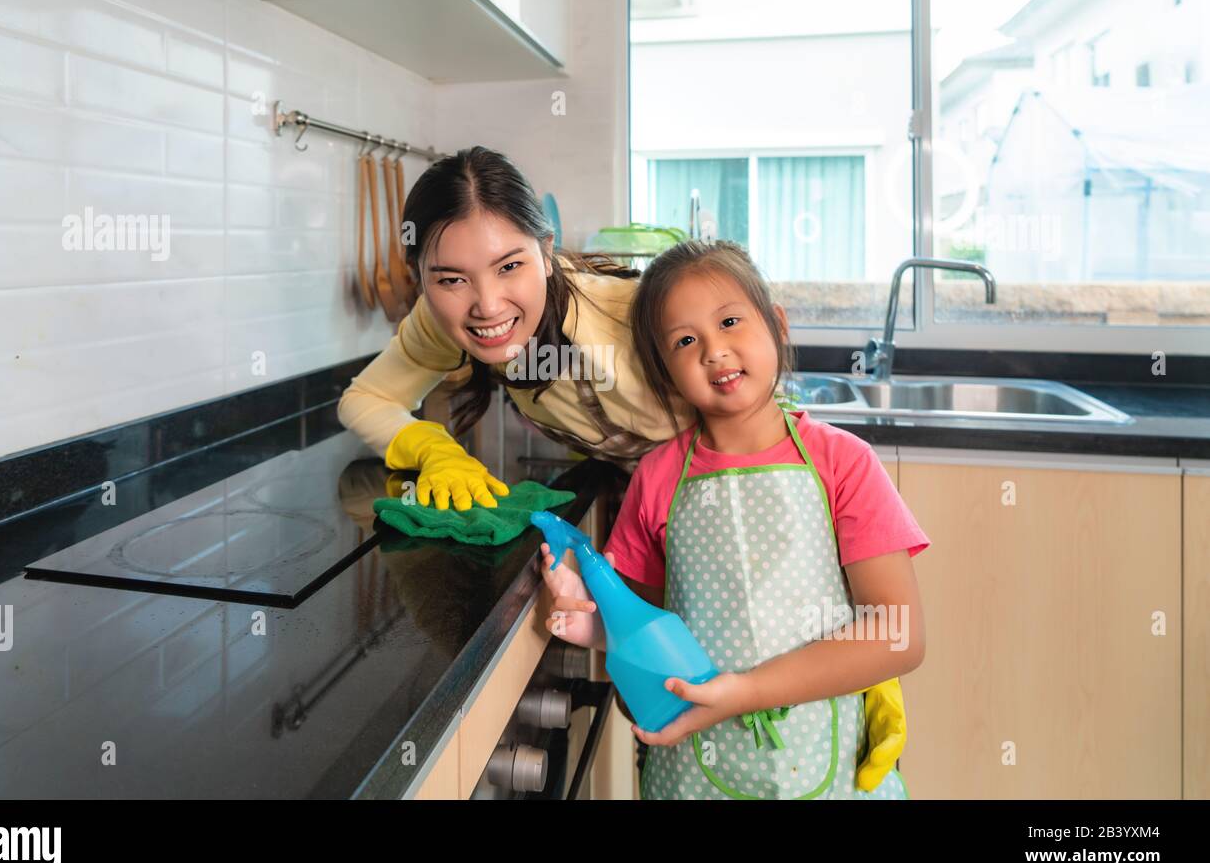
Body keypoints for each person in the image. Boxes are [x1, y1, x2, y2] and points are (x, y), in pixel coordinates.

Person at [537, 240, 929, 800]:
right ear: (664, 370)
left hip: (833, 776)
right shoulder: (655, 480)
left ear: (777, 326)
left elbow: (899, 635)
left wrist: (746, 691)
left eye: (729, 322)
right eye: (685, 341)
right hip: (692, 781)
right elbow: (637, 687)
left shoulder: (844, 464)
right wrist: (602, 631)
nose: (714, 351)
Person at [336, 145, 695, 510]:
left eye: (508, 267)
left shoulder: (634, 317)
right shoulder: (439, 320)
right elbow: (365, 399)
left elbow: (735, 411)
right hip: (648, 493)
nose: (488, 307)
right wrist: (433, 449)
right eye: (452, 279)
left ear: (546, 253)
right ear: (420, 278)